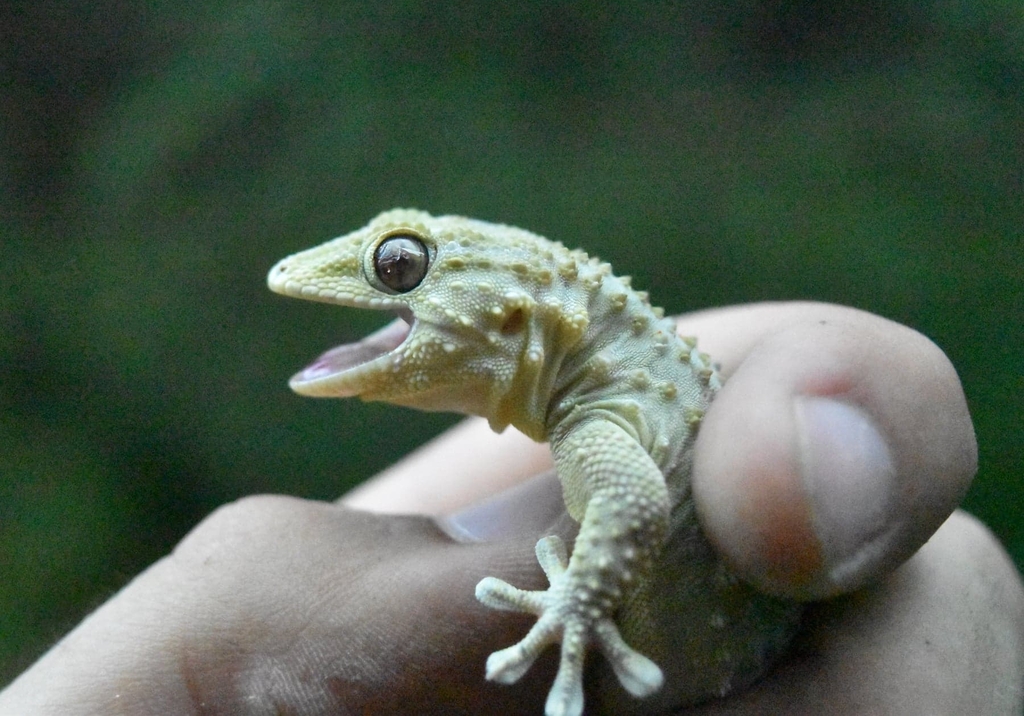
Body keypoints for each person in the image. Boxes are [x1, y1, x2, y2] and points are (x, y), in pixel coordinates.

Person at [2, 303, 1020, 715]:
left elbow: (622, 494)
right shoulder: (582, 418)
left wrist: (572, 605)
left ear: (518, 310)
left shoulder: (593, 422)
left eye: (401, 271)